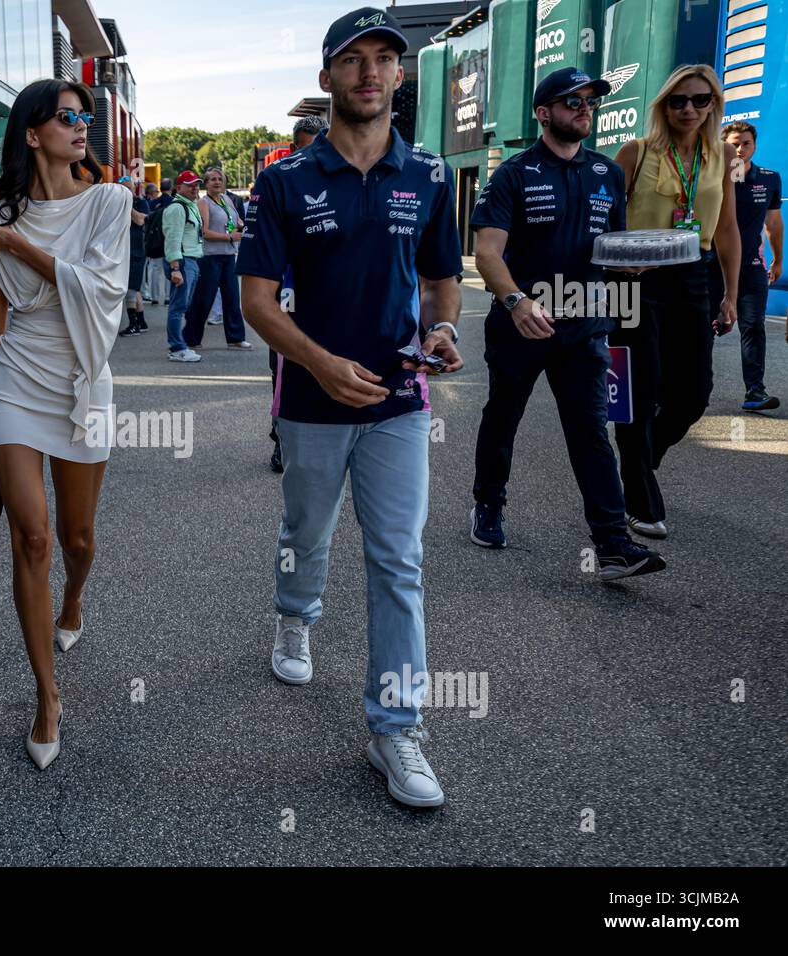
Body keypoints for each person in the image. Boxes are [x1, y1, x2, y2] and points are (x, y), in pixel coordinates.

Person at [237, 7, 463, 808]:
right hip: (309, 397)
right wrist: (321, 364)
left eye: (384, 60)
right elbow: (257, 300)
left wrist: (440, 327)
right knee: (306, 530)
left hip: (401, 398)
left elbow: (444, 279)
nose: (370, 72)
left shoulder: (429, 175)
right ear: (327, 77)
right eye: (353, 59)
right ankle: (294, 613)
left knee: (399, 561)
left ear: (401, 76)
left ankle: (396, 729)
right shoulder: (285, 180)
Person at [0, 79, 130, 771]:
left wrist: (15, 245)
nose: (81, 126)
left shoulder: (109, 203)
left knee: (78, 540)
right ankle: (46, 696)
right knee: (33, 537)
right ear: (31, 133)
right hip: (15, 385)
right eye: (66, 117)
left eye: (85, 117)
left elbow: (102, 289)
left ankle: (74, 598)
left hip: (81, 383)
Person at [468, 67, 666, 581]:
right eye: (571, 101)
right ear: (543, 113)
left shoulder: (607, 174)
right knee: (503, 417)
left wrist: (631, 265)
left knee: (590, 431)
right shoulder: (512, 174)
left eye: (588, 101)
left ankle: (613, 545)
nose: (584, 108)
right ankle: (488, 504)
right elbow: (486, 252)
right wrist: (516, 301)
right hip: (521, 322)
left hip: (585, 326)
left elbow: (612, 249)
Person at [612, 64, 741, 540]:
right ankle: (640, 499)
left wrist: (729, 293)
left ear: (713, 105)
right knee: (641, 392)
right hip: (635, 280)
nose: (689, 108)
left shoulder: (721, 156)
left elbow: (726, 228)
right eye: (678, 100)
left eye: (700, 100)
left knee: (693, 394)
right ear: (663, 105)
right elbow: (603, 220)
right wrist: (619, 260)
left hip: (693, 277)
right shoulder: (636, 152)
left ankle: (642, 460)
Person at [268, 116, 328, 472]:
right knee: (284, 372)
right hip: (286, 298)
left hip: (331, 301)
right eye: (307, 148)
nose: (316, 156)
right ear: (293, 149)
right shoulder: (280, 186)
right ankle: (281, 441)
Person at [711, 121, 782, 411]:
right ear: (724, 146)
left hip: (751, 265)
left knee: (753, 326)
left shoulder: (769, 179)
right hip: (710, 263)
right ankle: (692, 388)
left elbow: (774, 223)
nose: (740, 149)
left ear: (755, 145)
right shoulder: (710, 175)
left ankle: (755, 391)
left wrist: (778, 258)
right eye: (735, 144)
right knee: (701, 327)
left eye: (746, 143)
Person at [184, 166, 251, 350]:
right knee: (203, 298)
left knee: (232, 297)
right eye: (213, 179)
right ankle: (191, 337)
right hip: (210, 257)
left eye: (220, 179)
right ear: (206, 183)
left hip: (228, 255)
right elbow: (204, 232)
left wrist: (241, 226)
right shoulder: (204, 203)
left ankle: (236, 338)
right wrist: (229, 236)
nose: (217, 182)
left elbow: (236, 222)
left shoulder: (227, 199)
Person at [163, 170, 205, 362]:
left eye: (196, 184)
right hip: (183, 261)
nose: (195, 187)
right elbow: (172, 239)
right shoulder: (177, 208)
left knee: (182, 306)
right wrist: (175, 268)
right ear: (178, 188)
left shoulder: (189, 206)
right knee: (178, 307)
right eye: (190, 184)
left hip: (190, 261)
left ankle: (179, 345)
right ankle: (177, 348)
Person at [120, 176, 152, 336]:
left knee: (131, 288)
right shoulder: (118, 204)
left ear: (133, 189)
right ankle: (141, 321)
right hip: (124, 250)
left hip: (137, 250)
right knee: (135, 288)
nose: (125, 190)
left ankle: (133, 324)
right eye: (122, 188)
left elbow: (140, 220)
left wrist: (127, 204)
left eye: (127, 188)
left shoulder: (140, 202)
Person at [146, 178, 175, 304]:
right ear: (171, 188)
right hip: (169, 239)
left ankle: (154, 297)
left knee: (155, 268)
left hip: (155, 239)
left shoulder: (153, 203)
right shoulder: (174, 203)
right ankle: (168, 297)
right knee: (169, 268)